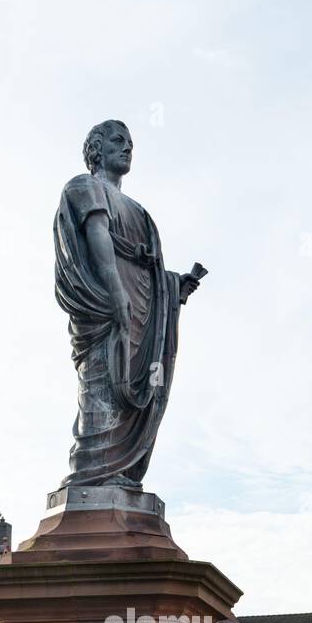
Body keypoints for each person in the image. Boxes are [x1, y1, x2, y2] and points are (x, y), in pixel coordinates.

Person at [53, 120, 203, 489]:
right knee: (101, 388)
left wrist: (173, 287)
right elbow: (97, 234)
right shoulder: (84, 186)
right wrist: (115, 293)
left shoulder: (140, 212)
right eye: (118, 141)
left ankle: (120, 472)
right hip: (103, 311)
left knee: (139, 394)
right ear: (96, 150)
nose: (127, 148)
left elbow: (150, 266)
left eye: (131, 143)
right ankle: (91, 473)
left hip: (144, 312)